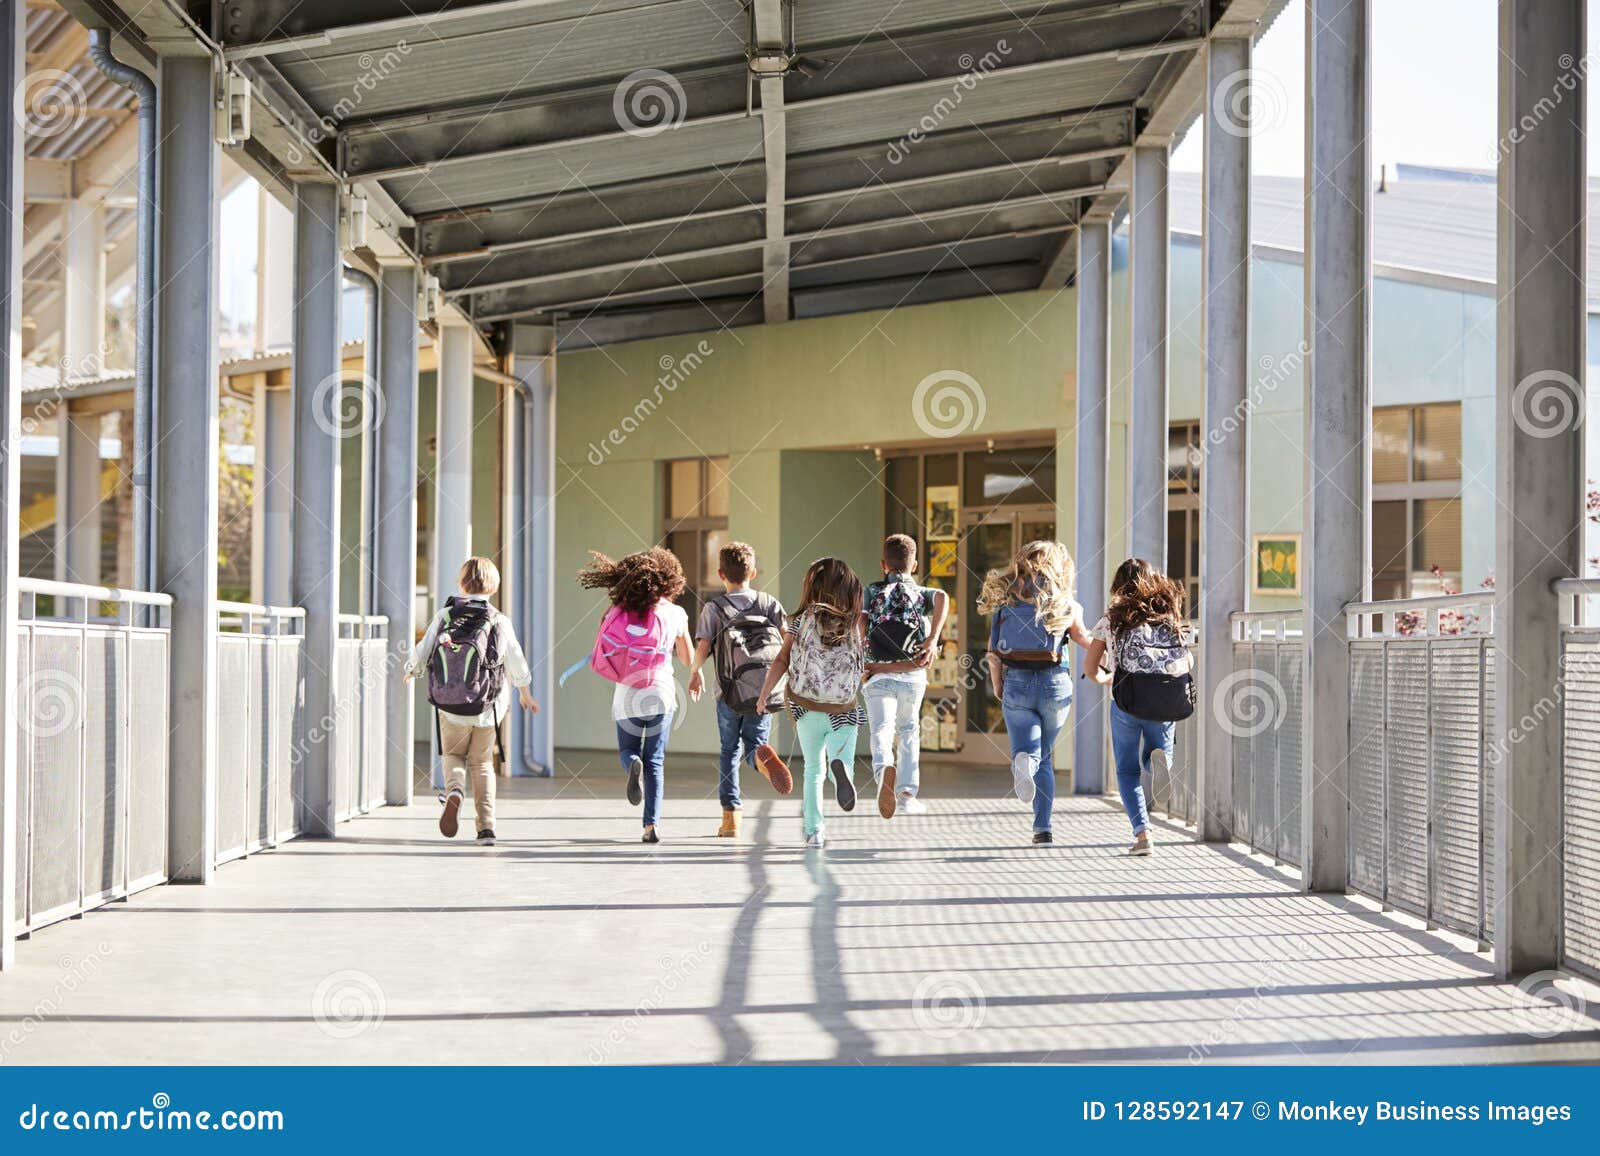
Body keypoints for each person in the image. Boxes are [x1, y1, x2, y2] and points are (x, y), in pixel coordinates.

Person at [405, 556, 538, 847]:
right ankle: (486, 828)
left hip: (450, 704)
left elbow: (424, 649)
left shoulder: (445, 615)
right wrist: (524, 691)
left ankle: (454, 792)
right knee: (482, 764)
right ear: (494, 586)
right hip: (488, 707)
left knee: (453, 756)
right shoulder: (500, 620)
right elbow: (516, 659)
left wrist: (410, 671)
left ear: (461, 584)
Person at [978, 540, 1094, 844]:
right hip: (1055, 684)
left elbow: (992, 653)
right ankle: (1042, 828)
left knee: (1029, 752)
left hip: (1016, 681)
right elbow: (1084, 639)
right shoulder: (1065, 603)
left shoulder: (1006, 603)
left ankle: (1023, 763)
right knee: (1045, 755)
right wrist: (1108, 657)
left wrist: (998, 684)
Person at [576, 547, 693, 844]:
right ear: (670, 579)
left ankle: (631, 766)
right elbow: (689, 657)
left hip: (627, 694)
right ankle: (650, 827)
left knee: (628, 751)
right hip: (662, 695)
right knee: (655, 761)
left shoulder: (616, 612)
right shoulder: (675, 613)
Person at [1082, 558, 1191, 856]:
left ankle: (1143, 836)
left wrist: (1109, 679)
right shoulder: (1168, 615)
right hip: (1166, 699)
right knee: (1159, 751)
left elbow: (1091, 669)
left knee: (1127, 772)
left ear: (1118, 585)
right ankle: (1160, 762)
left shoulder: (1112, 619)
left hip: (1126, 702)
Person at [755, 558, 866, 848]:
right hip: (843, 708)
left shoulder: (800, 620)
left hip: (806, 707)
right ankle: (840, 768)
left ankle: (814, 831)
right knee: (842, 759)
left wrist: (766, 692)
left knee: (813, 770)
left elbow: (781, 659)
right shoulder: (857, 621)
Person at [685, 541, 793, 838]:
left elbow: (703, 646)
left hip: (728, 692)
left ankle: (730, 820)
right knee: (755, 743)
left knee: (728, 750)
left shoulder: (714, 608)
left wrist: (695, 672)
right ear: (753, 572)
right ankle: (762, 757)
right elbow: (788, 644)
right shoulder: (769, 603)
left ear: (721, 573)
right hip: (763, 689)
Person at [861, 534, 948, 819]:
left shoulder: (872, 591)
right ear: (915, 565)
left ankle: (883, 770)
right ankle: (907, 795)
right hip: (912, 675)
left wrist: (863, 657)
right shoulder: (921, 593)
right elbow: (943, 597)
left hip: (877, 675)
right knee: (909, 731)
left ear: (883, 564)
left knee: (881, 731)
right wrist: (933, 640)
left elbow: (861, 622)